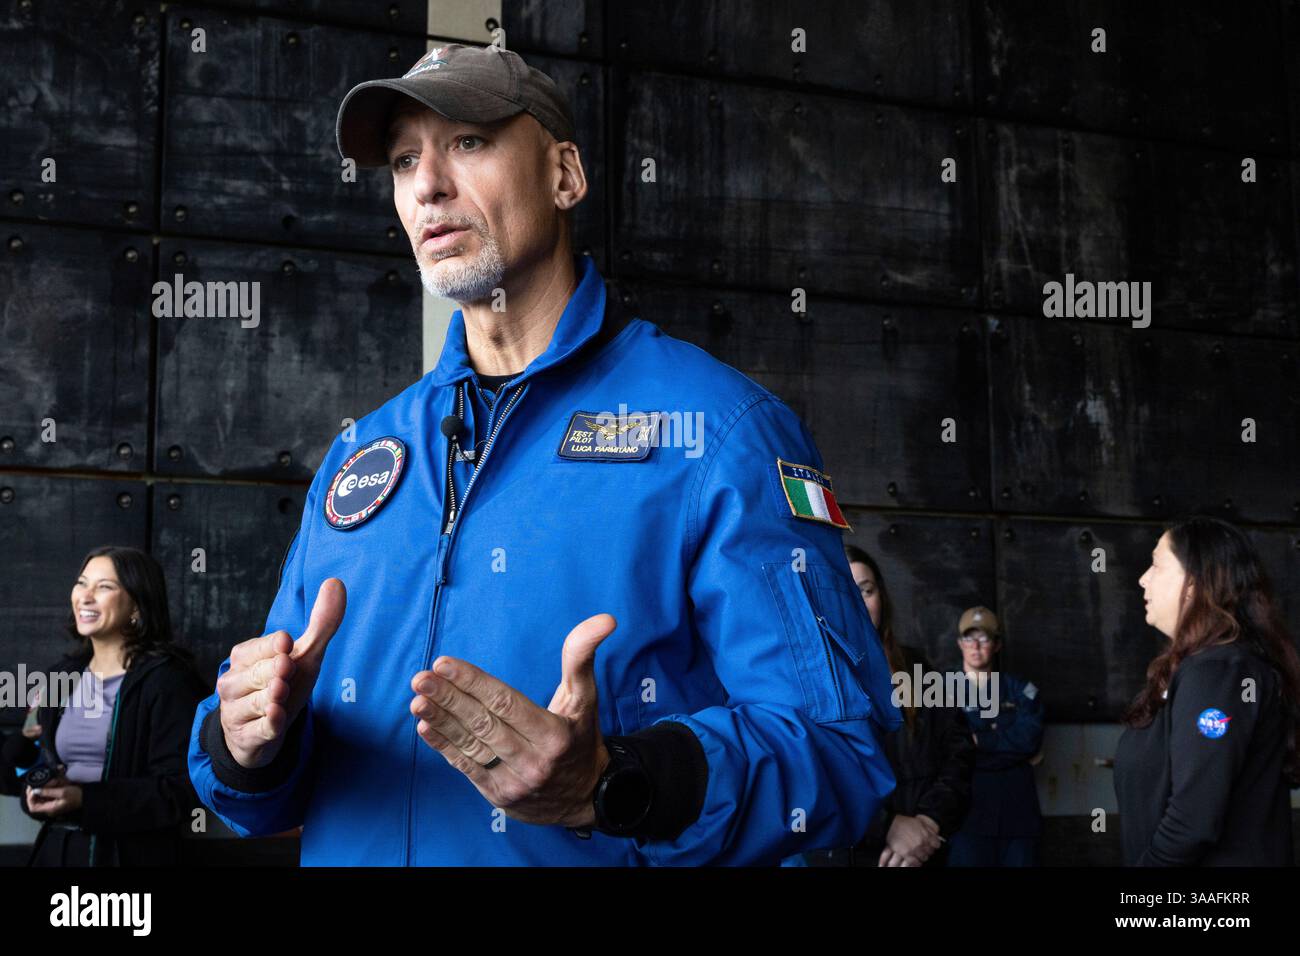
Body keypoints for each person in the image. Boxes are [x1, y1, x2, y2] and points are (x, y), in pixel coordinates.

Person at [186, 42, 900, 865]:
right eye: (404, 159)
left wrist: (613, 784)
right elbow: (264, 789)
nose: (427, 186)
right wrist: (244, 742)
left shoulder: (721, 431)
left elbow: (845, 755)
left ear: (565, 176)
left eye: (469, 142)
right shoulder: (364, 453)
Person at [3, 546, 207, 866]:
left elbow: (185, 791)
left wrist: (85, 800)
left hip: (129, 859)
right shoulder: (62, 677)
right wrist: (36, 792)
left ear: (137, 604)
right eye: (82, 583)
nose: (85, 596)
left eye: (104, 587)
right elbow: (32, 757)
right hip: (57, 852)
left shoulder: (169, 682)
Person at [1113, 515, 1300, 865]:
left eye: (1155, 565)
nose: (1142, 579)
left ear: (1194, 583)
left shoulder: (1218, 674)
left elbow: (1193, 821)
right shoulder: (1207, 669)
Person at [803, 545, 974, 867]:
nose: (857, 602)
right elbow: (807, 773)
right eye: (844, 591)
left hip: (924, 853)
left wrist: (928, 824)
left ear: (882, 597)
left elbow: (959, 753)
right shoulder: (810, 678)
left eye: (866, 591)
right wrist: (887, 827)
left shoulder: (916, 668)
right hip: (849, 855)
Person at [946, 605, 1044, 866]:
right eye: (969, 638)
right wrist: (1013, 753)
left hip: (1018, 817)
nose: (976, 646)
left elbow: (1029, 740)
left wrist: (981, 742)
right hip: (966, 816)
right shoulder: (942, 691)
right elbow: (948, 749)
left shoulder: (1020, 690)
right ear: (959, 643)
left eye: (984, 638)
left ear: (997, 644)